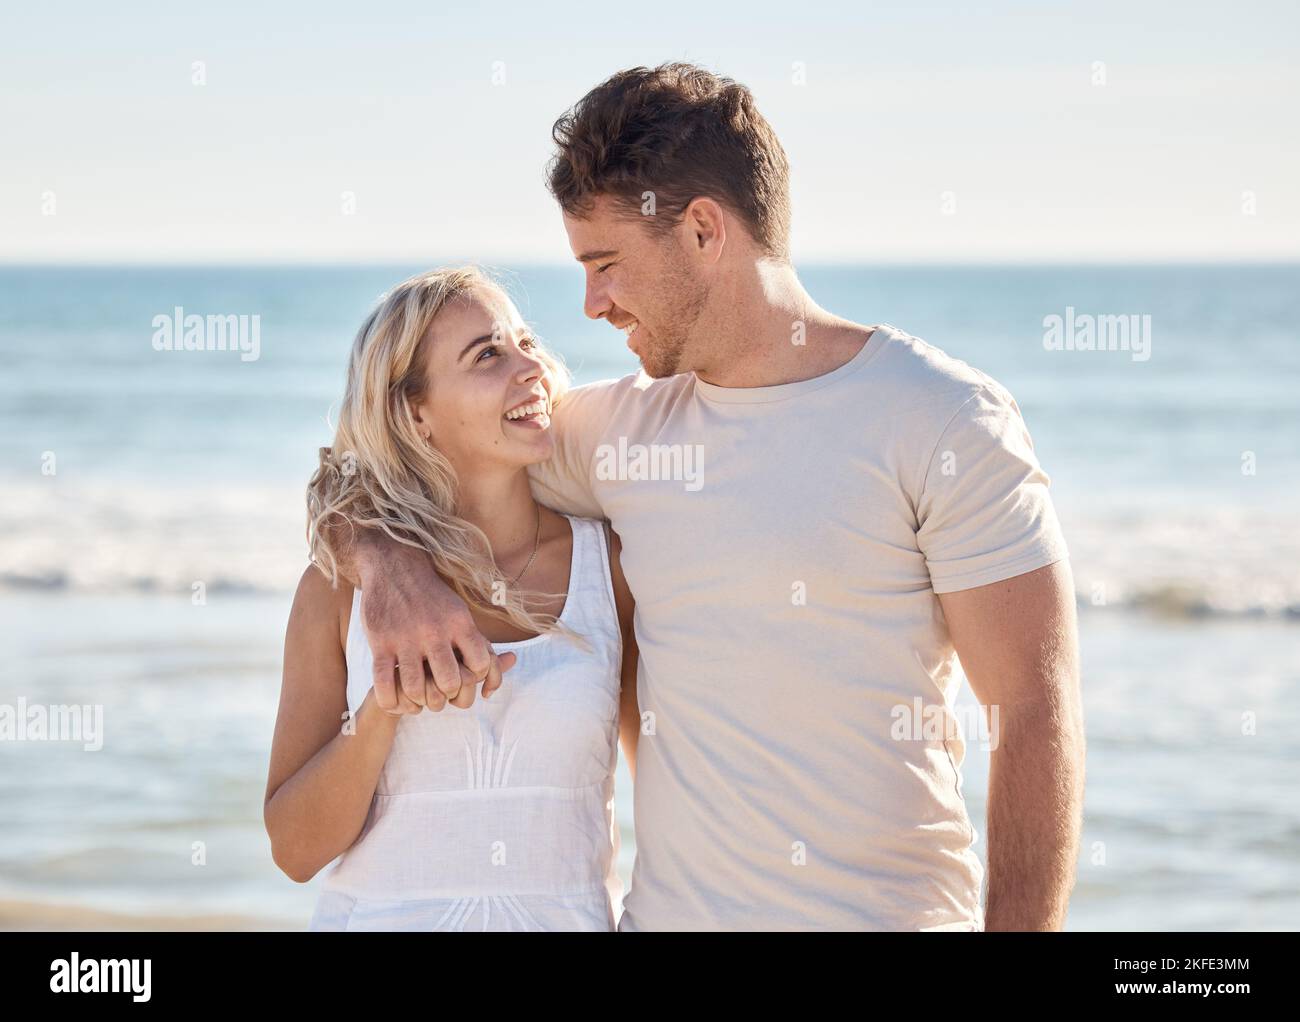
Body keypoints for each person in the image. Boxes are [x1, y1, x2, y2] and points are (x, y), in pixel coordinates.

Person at [337, 64, 1086, 931]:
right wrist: (388, 567)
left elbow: (1034, 712)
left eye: (606, 263)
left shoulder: (944, 418)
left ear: (701, 231)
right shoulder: (611, 436)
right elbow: (380, 463)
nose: (593, 304)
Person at [264, 267, 639, 931]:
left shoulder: (610, 569)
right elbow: (296, 850)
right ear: (416, 412)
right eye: (488, 355)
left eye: (527, 343)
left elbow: (666, 793)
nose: (531, 367)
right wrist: (383, 709)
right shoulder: (339, 588)